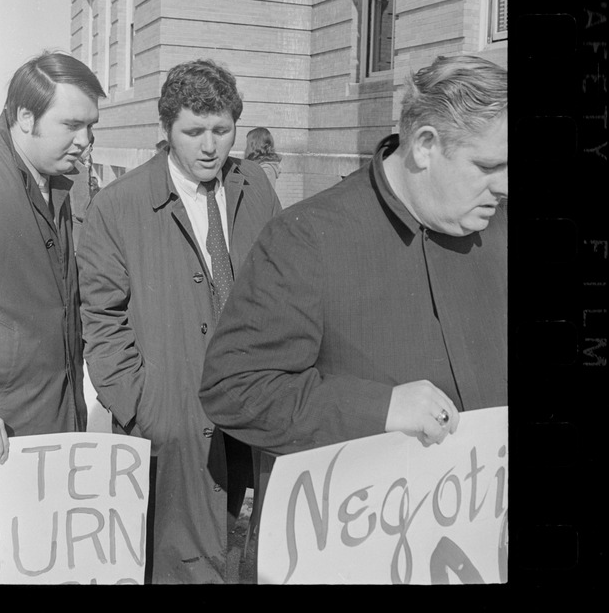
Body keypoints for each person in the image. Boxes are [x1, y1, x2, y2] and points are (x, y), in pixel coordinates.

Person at [200, 54, 508, 460]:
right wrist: (380, 408)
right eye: (488, 166)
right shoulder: (306, 237)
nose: (504, 185)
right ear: (425, 146)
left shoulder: (499, 224)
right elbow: (234, 388)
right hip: (364, 513)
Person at [76, 58, 281, 584]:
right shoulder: (117, 205)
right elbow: (102, 321)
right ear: (165, 130)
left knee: (244, 541)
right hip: (172, 423)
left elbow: (283, 286)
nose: (210, 146)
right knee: (176, 561)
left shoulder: (254, 183)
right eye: (194, 132)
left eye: (222, 130)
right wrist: (145, 409)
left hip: (250, 406)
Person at [0, 51, 104, 467]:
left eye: (91, 126)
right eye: (71, 125)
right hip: (1, 443)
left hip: (59, 425)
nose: (85, 140)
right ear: (24, 117)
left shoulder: (60, 181)